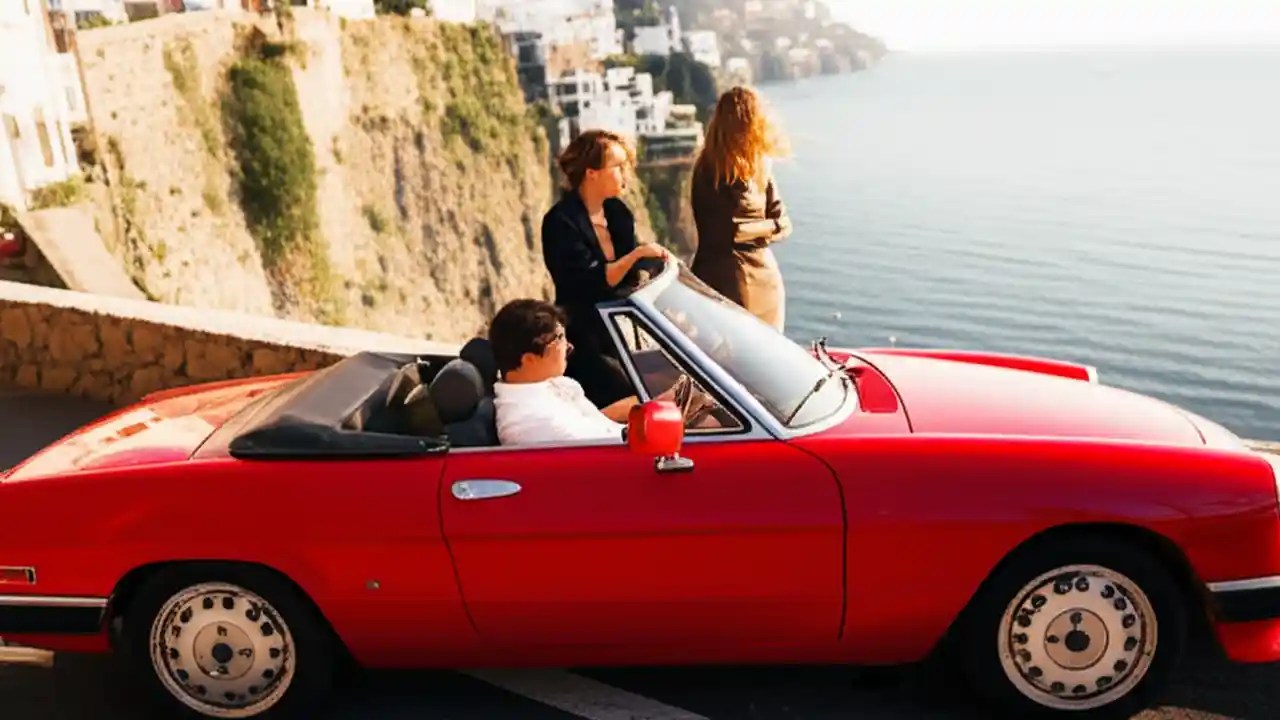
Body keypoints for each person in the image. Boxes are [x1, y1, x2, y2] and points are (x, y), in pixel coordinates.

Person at [541, 129, 669, 408]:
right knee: (630, 394)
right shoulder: (560, 223)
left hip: (624, 329)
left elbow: (633, 273)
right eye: (617, 166)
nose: (625, 173)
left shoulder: (618, 213)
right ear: (591, 173)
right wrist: (637, 255)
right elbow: (593, 280)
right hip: (586, 337)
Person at [489, 298, 675, 446]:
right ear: (528, 359)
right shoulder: (533, 422)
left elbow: (601, 425)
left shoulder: (551, 384)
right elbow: (615, 448)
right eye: (559, 339)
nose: (568, 346)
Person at [689, 86, 793, 331]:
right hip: (726, 278)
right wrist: (771, 226)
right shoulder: (710, 170)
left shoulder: (760, 165)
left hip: (764, 277)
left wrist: (764, 227)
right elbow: (730, 231)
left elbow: (784, 223)